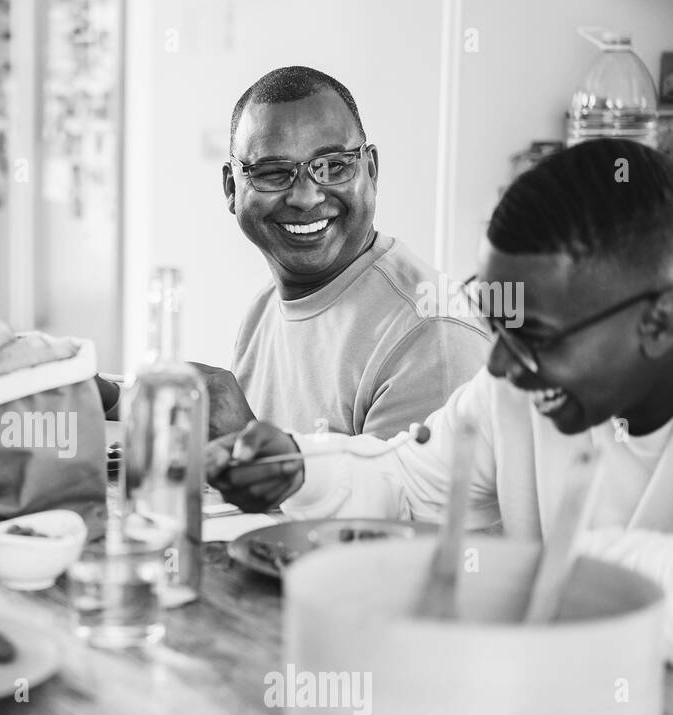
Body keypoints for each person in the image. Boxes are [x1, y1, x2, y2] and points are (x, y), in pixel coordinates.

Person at [207, 139, 673, 647]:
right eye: (498, 325)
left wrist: (537, 573)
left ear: (658, 321)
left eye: (535, 337)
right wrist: (299, 468)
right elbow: (410, 483)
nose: (498, 364)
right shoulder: (513, 395)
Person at [206, 65, 489, 439]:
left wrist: (245, 441)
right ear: (231, 188)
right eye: (273, 171)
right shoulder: (263, 309)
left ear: (370, 170)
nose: (306, 197)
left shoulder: (431, 338)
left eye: (333, 166)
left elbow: (401, 499)